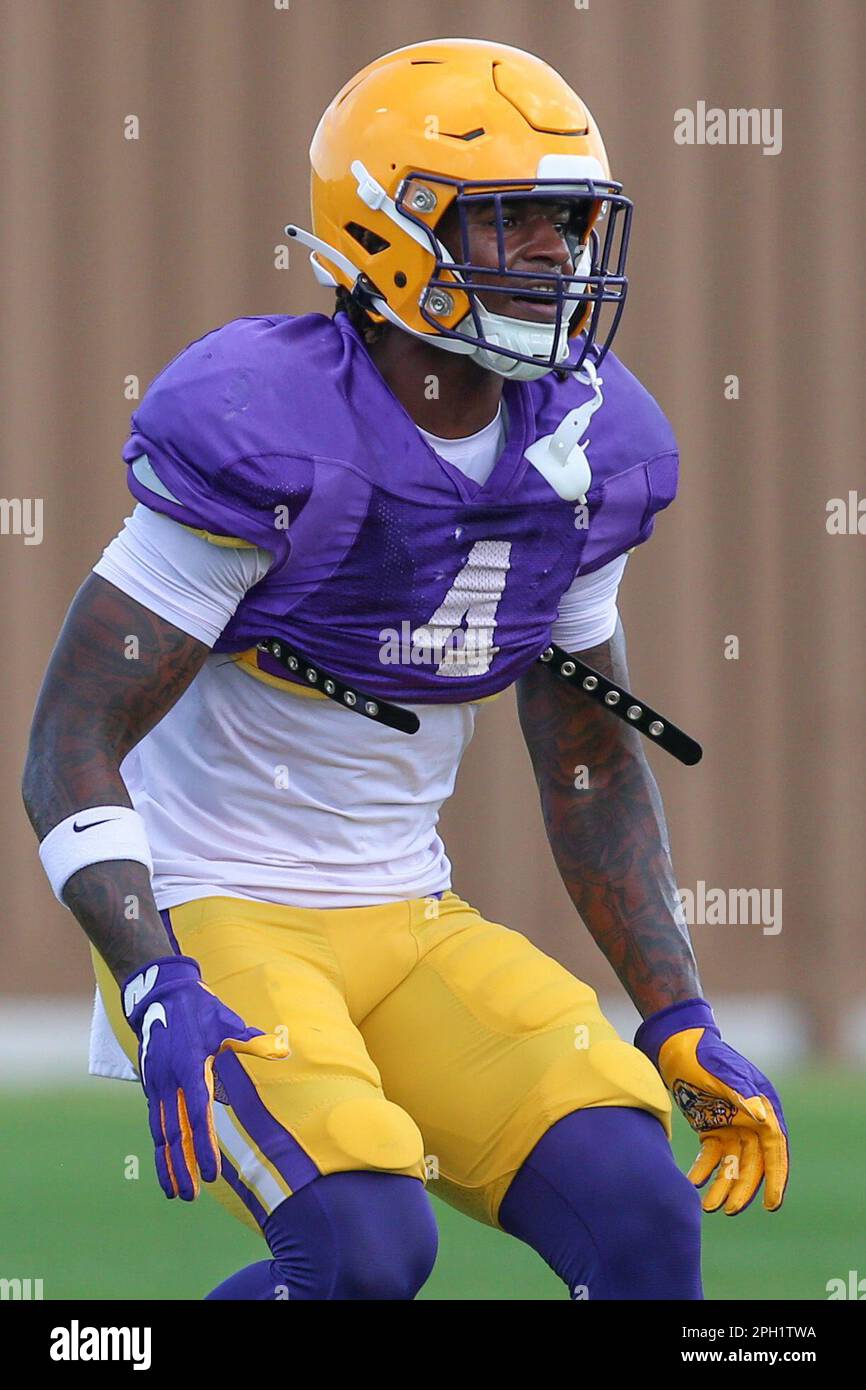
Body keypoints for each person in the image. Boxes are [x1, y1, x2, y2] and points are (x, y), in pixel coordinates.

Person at [23, 37, 787, 1301]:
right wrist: (154, 972)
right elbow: (70, 739)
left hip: (404, 913)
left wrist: (675, 1012)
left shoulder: (589, 447)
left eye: (567, 221)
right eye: (511, 220)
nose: (554, 253)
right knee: (364, 1257)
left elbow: (587, 762)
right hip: (220, 911)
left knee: (641, 1213)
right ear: (387, 236)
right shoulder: (269, 427)